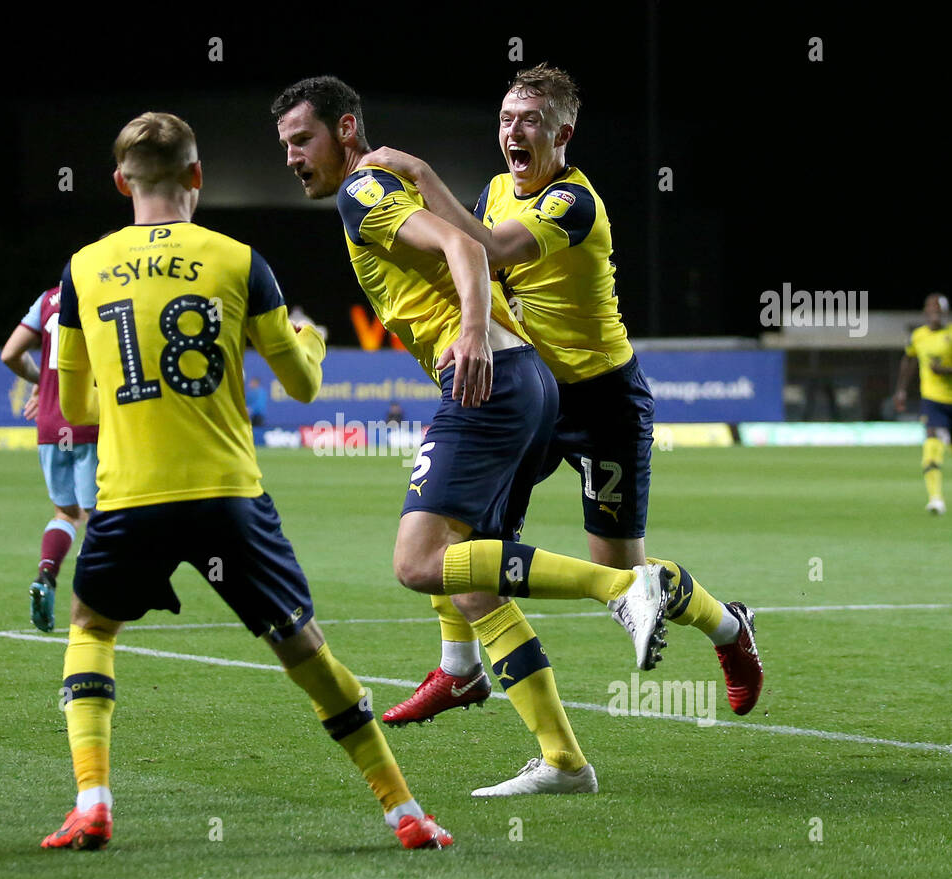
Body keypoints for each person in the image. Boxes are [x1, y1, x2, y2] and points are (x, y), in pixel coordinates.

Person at [42, 110, 451, 851]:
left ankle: (92, 802)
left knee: (93, 628)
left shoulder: (83, 268)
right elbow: (299, 387)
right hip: (227, 495)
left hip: (131, 496)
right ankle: (405, 813)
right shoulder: (238, 261)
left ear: (119, 182)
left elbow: (74, 407)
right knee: (302, 647)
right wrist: (314, 337)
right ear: (197, 176)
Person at [274, 76, 673, 797]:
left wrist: (470, 332)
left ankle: (622, 589)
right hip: (523, 378)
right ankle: (552, 752)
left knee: (420, 561)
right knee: (469, 571)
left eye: (303, 139)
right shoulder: (408, 189)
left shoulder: (363, 193)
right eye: (287, 145)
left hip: (501, 380)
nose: (294, 157)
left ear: (347, 129)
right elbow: (472, 240)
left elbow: (467, 248)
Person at [358, 64, 762, 731]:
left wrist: (421, 176)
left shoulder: (571, 203)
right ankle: (458, 669)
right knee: (455, 537)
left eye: (531, 122)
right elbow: (476, 258)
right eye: (506, 119)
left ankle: (728, 627)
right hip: (534, 394)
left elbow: (485, 248)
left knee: (620, 570)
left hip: (604, 401)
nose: (514, 132)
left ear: (563, 132)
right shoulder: (493, 189)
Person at [1, 287, 101, 632]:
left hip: (50, 424)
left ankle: (47, 573)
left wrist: (40, 381)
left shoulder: (47, 299)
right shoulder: (114, 291)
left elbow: (10, 354)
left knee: (66, 513)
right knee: (98, 517)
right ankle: (92, 602)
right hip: (92, 419)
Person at [894, 293, 952, 514]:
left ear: (946, 313)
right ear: (925, 312)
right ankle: (935, 498)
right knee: (932, 445)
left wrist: (945, 370)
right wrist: (901, 390)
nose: (935, 314)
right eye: (931, 309)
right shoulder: (918, 336)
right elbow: (909, 359)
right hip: (932, 400)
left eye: (939, 310)